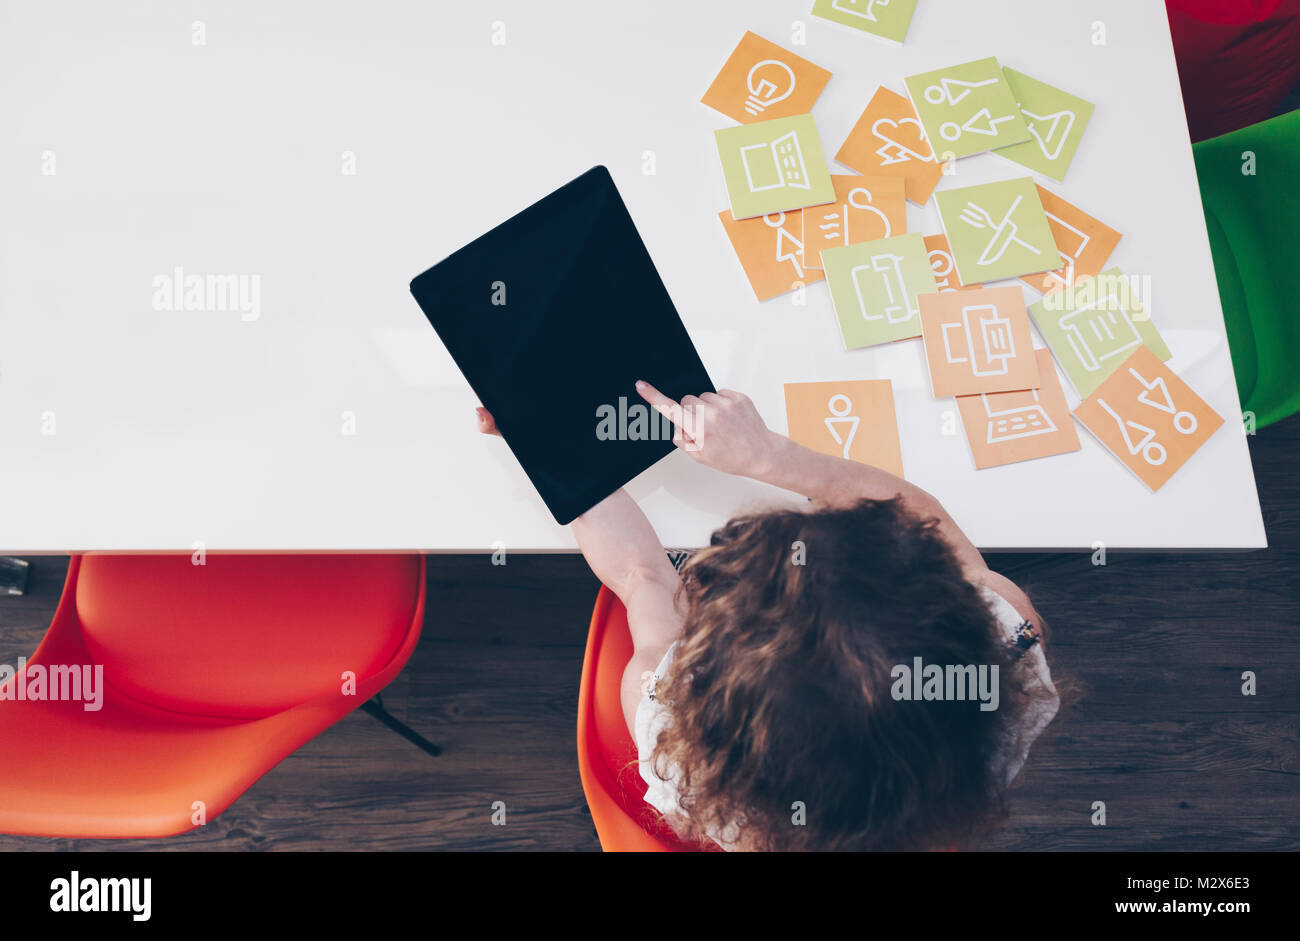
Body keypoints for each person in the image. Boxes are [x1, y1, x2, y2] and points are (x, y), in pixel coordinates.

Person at [476, 380, 1059, 851]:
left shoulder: (668, 726)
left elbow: (642, 577)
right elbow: (928, 522)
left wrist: (546, 439)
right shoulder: (1003, 670)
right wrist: (771, 455)